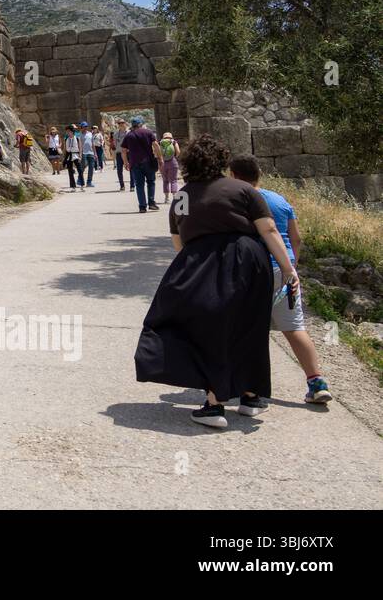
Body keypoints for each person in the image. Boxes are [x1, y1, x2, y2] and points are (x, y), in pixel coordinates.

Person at [135, 134, 302, 429]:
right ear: (222, 161)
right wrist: (289, 270)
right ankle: (250, 396)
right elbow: (270, 230)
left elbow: (179, 243)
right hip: (249, 259)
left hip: (201, 260)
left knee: (206, 328)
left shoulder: (182, 196)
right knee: (250, 325)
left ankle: (214, 405)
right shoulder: (242, 189)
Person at [228, 154, 332, 405]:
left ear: (233, 176)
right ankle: (316, 382)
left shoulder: (237, 199)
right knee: (295, 327)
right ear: (258, 174)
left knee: (246, 330)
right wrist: (291, 266)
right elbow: (295, 238)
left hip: (253, 272)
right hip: (284, 271)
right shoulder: (279, 199)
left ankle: (248, 388)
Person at [120, 116, 161, 212]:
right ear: (141, 124)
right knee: (151, 182)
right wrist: (160, 158)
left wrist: (125, 162)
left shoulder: (129, 135)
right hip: (148, 161)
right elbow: (156, 145)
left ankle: (142, 206)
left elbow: (123, 150)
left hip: (134, 163)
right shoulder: (148, 132)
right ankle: (151, 203)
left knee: (139, 185)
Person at [159, 131, 181, 202]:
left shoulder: (160, 143)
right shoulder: (174, 142)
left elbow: (156, 153)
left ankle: (166, 198)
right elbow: (178, 151)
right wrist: (174, 157)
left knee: (165, 181)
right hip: (172, 162)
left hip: (162, 163)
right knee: (174, 180)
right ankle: (174, 197)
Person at [62, 124, 84, 191]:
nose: (67, 133)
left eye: (68, 131)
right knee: (70, 171)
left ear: (72, 131)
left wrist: (80, 155)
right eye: (67, 131)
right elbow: (65, 149)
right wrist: (64, 158)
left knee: (80, 170)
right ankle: (73, 186)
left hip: (76, 155)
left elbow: (80, 147)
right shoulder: (66, 139)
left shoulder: (77, 138)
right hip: (69, 155)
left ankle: (82, 185)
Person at [111, 118, 130, 191]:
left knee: (131, 169)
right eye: (119, 123)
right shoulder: (115, 134)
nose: (121, 124)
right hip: (119, 153)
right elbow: (115, 144)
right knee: (119, 170)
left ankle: (132, 185)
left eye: (122, 123)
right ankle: (122, 186)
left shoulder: (129, 133)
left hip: (128, 152)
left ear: (125, 123)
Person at [79, 122, 97, 188]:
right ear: (81, 127)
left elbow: (92, 144)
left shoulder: (90, 134)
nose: (85, 128)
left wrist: (95, 153)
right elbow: (80, 145)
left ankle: (89, 182)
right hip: (84, 153)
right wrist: (80, 154)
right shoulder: (79, 135)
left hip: (91, 153)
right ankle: (79, 179)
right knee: (83, 166)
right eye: (84, 126)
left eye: (86, 126)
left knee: (91, 168)